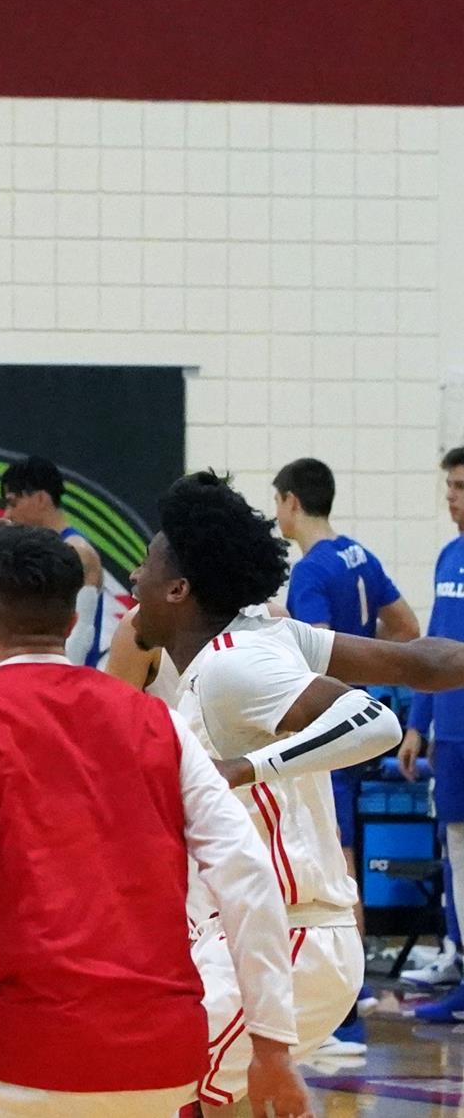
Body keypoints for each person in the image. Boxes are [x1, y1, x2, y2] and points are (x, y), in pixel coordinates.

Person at [0, 524, 309, 1118]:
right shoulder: (158, 721)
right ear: (71, 624)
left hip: (17, 1051)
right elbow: (249, 873)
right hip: (166, 1062)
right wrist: (272, 1048)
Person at [127, 471, 464, 1111]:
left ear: (178, 589)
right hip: (248, 939)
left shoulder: (237, 664)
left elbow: (376, 720)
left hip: (293, 941)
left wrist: (245, 767)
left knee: (139, 1090)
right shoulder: (252, 642)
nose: (134, 582)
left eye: (145, 565)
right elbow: (421, 661)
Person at [271, 456, 421, 1048]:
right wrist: (365, 663)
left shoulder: (309, 573)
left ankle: (344, 1012)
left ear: (291, 503)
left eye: (276, 501)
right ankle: (346, 1005)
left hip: (327, 733)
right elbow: (406, 627)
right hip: (359, 728)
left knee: (332, 868)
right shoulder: (360, 554)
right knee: (343, 861)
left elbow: (310, 660)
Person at [398, 447, 464, 1015]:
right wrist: (417, 723)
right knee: (458, 854)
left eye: (462, 486)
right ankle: (459, 962)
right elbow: (432, 650)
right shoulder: (448, 556)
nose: (452, 497)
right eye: (450, 485)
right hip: (452, 735)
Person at [0, 455, 107, 666]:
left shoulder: (78, 552)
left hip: (68, 684)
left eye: (13, 503)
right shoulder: (33, 553)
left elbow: (80, 636)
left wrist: (60, 685)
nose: (7, 515)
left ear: (40, 498)